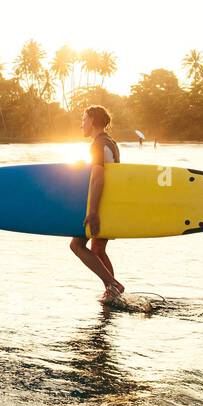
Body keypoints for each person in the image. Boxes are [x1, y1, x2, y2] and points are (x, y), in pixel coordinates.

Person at [69, 106, 125, 298]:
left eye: (83, 120)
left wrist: (92, 211)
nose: (81, 125)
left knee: (76, 246)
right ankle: (112, 292)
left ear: (92, 120)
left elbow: (98, 177)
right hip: (112, 202)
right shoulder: (110, 143)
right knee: (98, 249)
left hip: (101, 205)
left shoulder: (97, 144)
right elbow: (103, 170)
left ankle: (113, 284)